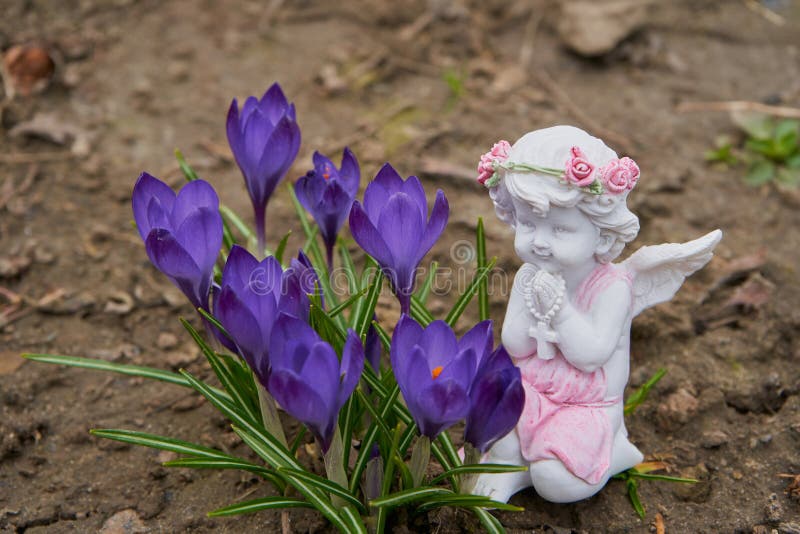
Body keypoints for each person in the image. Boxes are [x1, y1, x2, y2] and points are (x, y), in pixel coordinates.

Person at [472, 125, 721, 503]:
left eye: (559, 229)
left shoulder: (612, 287)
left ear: (602, 236)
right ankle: (513, 469)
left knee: (555, 484)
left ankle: (612, 449)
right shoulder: (529, 275)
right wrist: (534, 307)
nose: (538, 241)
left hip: (585, 407)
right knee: (493, 431)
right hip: (533, 391)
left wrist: (560, 312)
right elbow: (515, 344)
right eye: (526, 224)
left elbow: (590, 356)